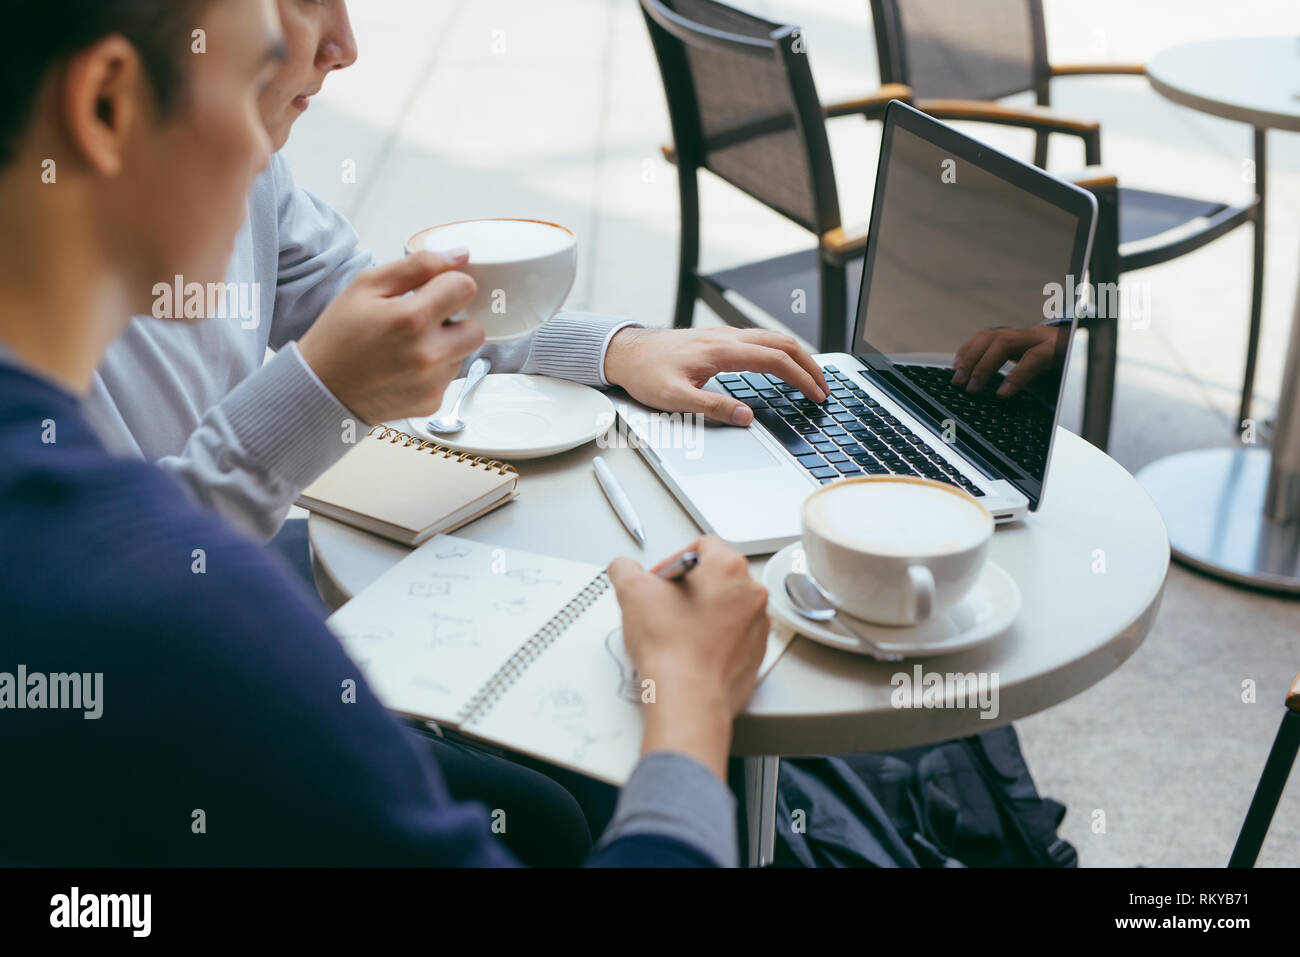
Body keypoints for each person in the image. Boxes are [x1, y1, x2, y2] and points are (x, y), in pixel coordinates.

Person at [0, 0, 770, 867]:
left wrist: (609, 345)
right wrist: (693, 721)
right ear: (107, 104)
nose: (343, 50)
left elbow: (368, 299)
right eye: (253, 75)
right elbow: (150, 590)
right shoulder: (164, 612)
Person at [83, 0, 831, 547]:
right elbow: (92, 590)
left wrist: (615, 348)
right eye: (304, 0)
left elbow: (392, 316)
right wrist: (320, 396)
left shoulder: (252, 173)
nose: (344, 46)